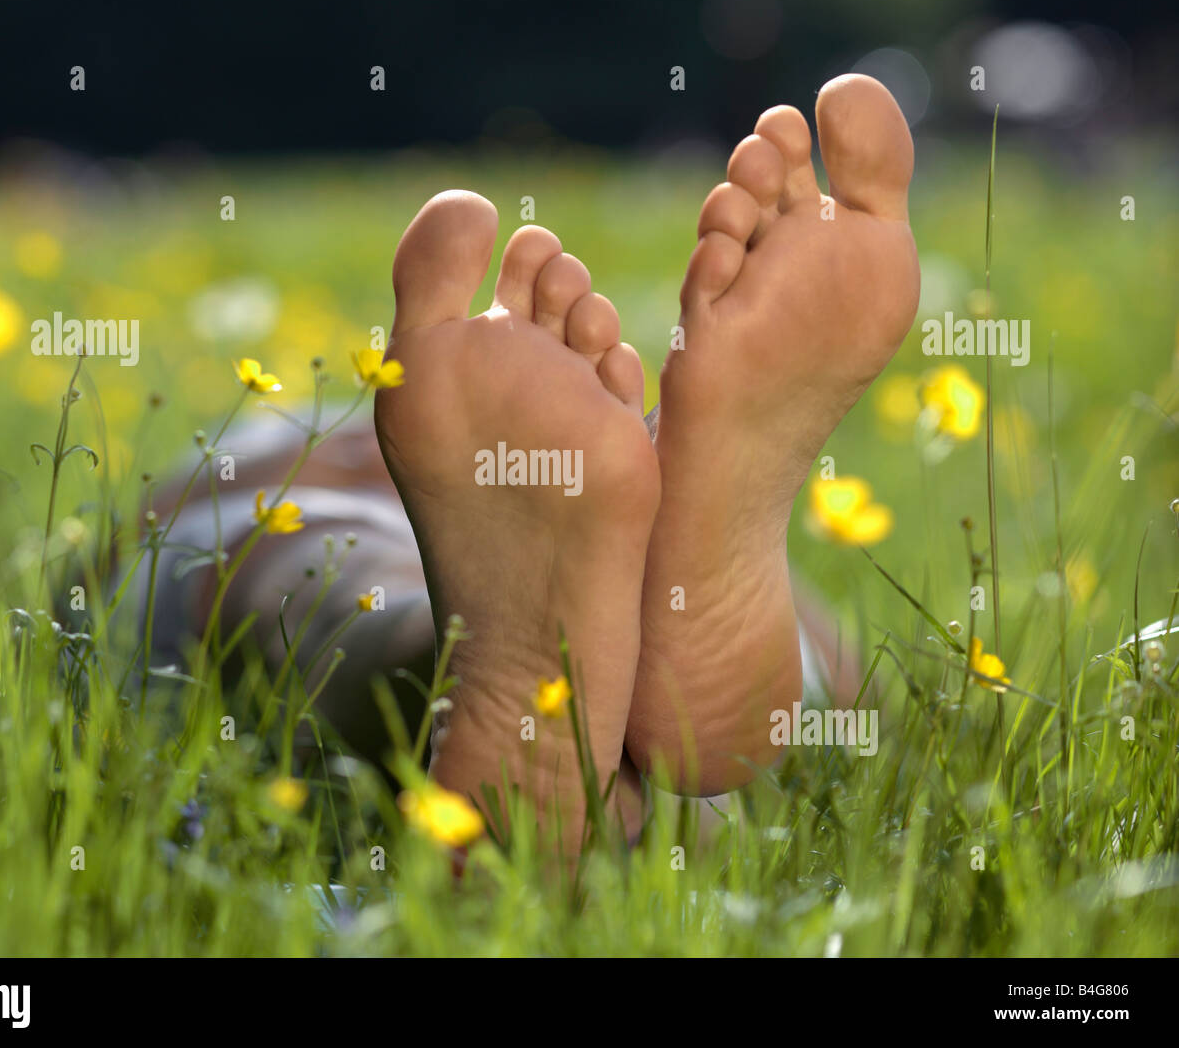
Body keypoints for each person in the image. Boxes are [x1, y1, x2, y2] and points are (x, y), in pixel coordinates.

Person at [135, 73, 918, 849]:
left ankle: (488, 685)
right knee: (773, 643)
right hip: (497, 515)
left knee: (299, 554)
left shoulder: (309, 441)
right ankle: (687, 749)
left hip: (304, 508)